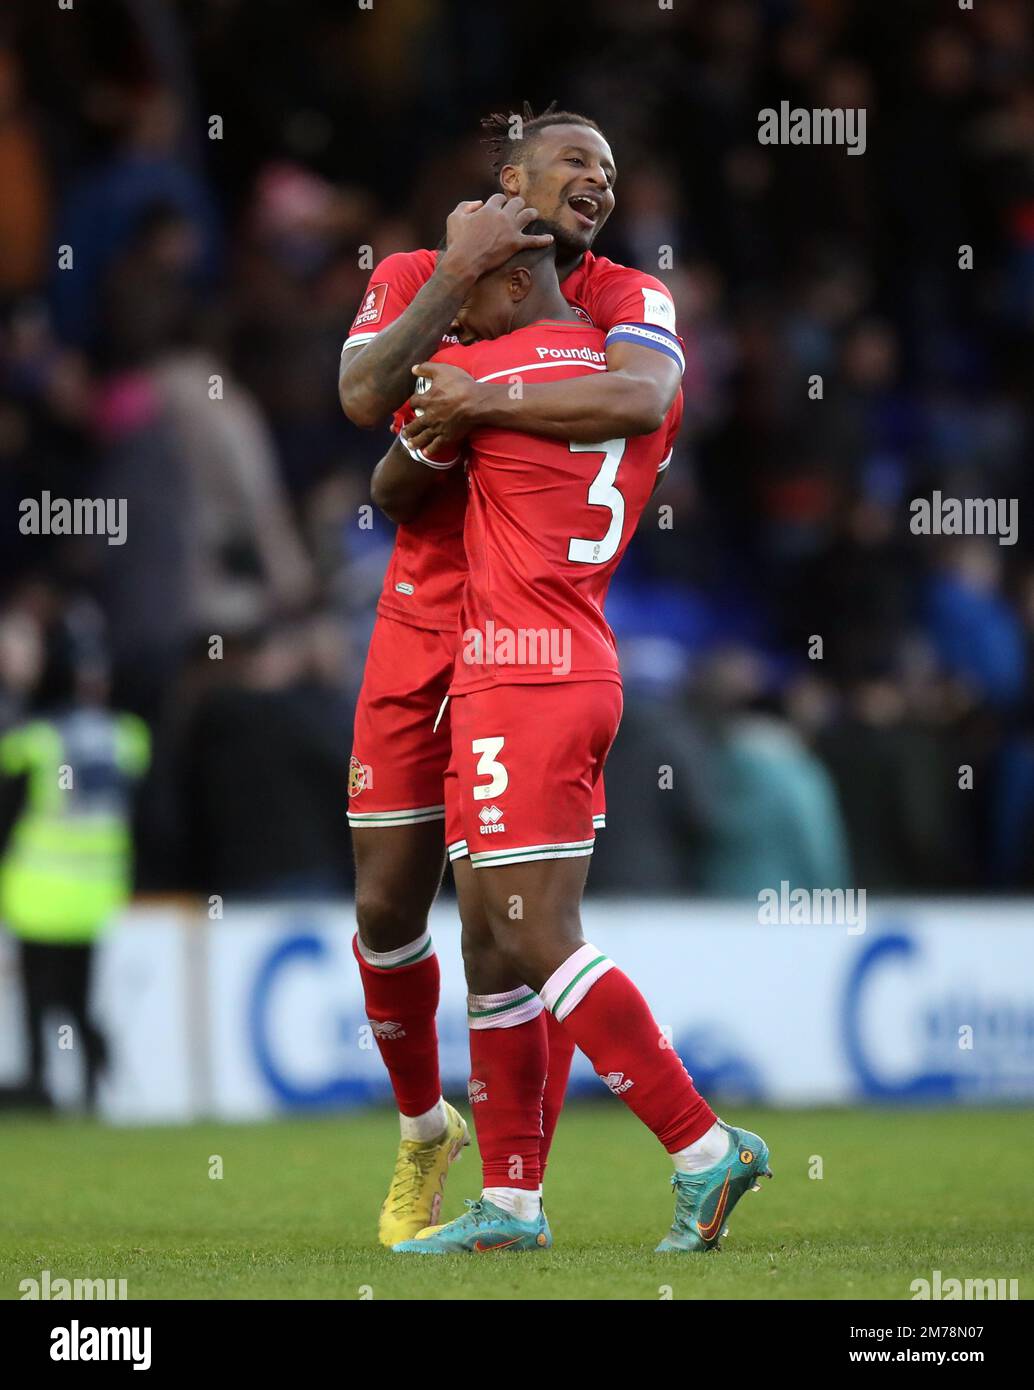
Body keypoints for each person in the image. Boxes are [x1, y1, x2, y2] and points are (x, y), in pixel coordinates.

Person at [371, 233, 771, 1255]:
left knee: (532, 927)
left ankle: (699, 1145)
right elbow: (640, 414)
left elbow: (387, 486)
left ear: (514, 280)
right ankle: (509, 1203)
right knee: (493, 937)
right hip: (585, 656)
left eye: (474, 290)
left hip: (514, 669)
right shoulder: (630, 376)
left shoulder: (469, 370)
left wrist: (444, 381)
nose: (460, 311)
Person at [338, 104, 686, 1245]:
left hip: (524, 634)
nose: (598, 181)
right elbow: (359, 399)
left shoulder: (623, 298)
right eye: (573, 161)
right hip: (418, 622)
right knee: (389, 901)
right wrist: (457, 276)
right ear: (507, 180)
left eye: (609, 169)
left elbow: (640, 395)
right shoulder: (410, 274)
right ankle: (421, 1128)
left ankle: (514, 1194)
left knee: (505, 922)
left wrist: (477, 396)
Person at [0, 601, 150, 1110]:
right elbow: (149, 814)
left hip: (36, 887)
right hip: (96, 890)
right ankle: (89, 1087)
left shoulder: (37, 739)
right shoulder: (126, 738)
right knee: (79, 996)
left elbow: (9, 808)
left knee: (38, 998)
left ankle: (40, 1084)